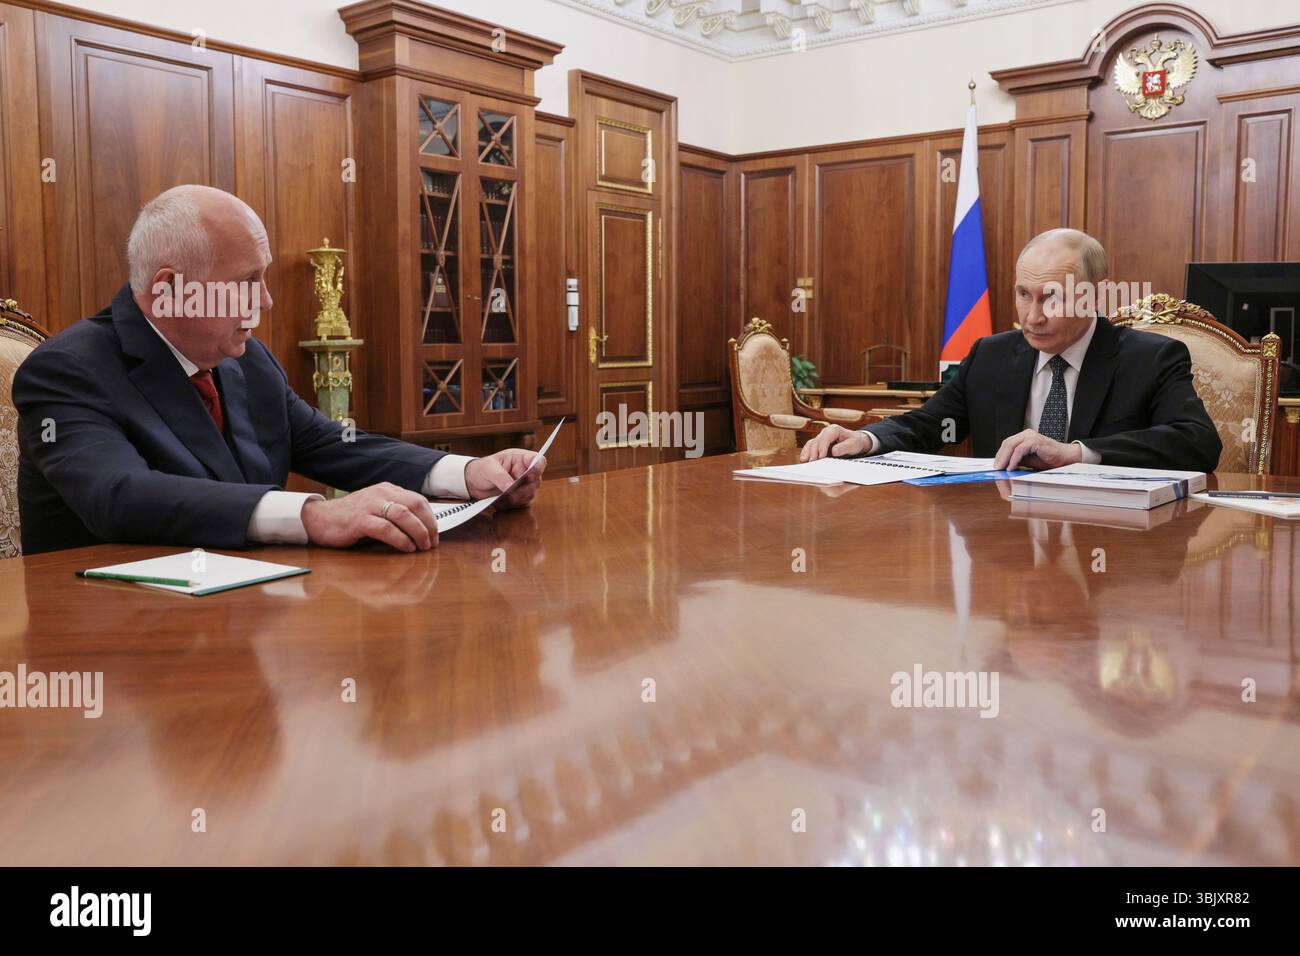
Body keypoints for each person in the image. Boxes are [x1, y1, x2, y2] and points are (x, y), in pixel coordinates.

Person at [15, 185, 544, 555]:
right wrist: (313, 515)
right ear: (171, 289)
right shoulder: (68, 370)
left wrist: (466, 473)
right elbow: (120, 495)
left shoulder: (246, 361)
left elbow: (332, 443)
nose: (265, 302)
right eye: (248, 281)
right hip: (114, 649)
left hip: (243, 620)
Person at [801, 228, 1221, 473]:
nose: (1033, 317)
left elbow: (1198, 444)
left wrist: (1076, 454)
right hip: (1004, 538)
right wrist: (867, 438)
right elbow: (931, 425)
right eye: (1024, 294)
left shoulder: (1150, 359)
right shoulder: (991, 355)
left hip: (1110, 544)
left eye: (1052, 298)